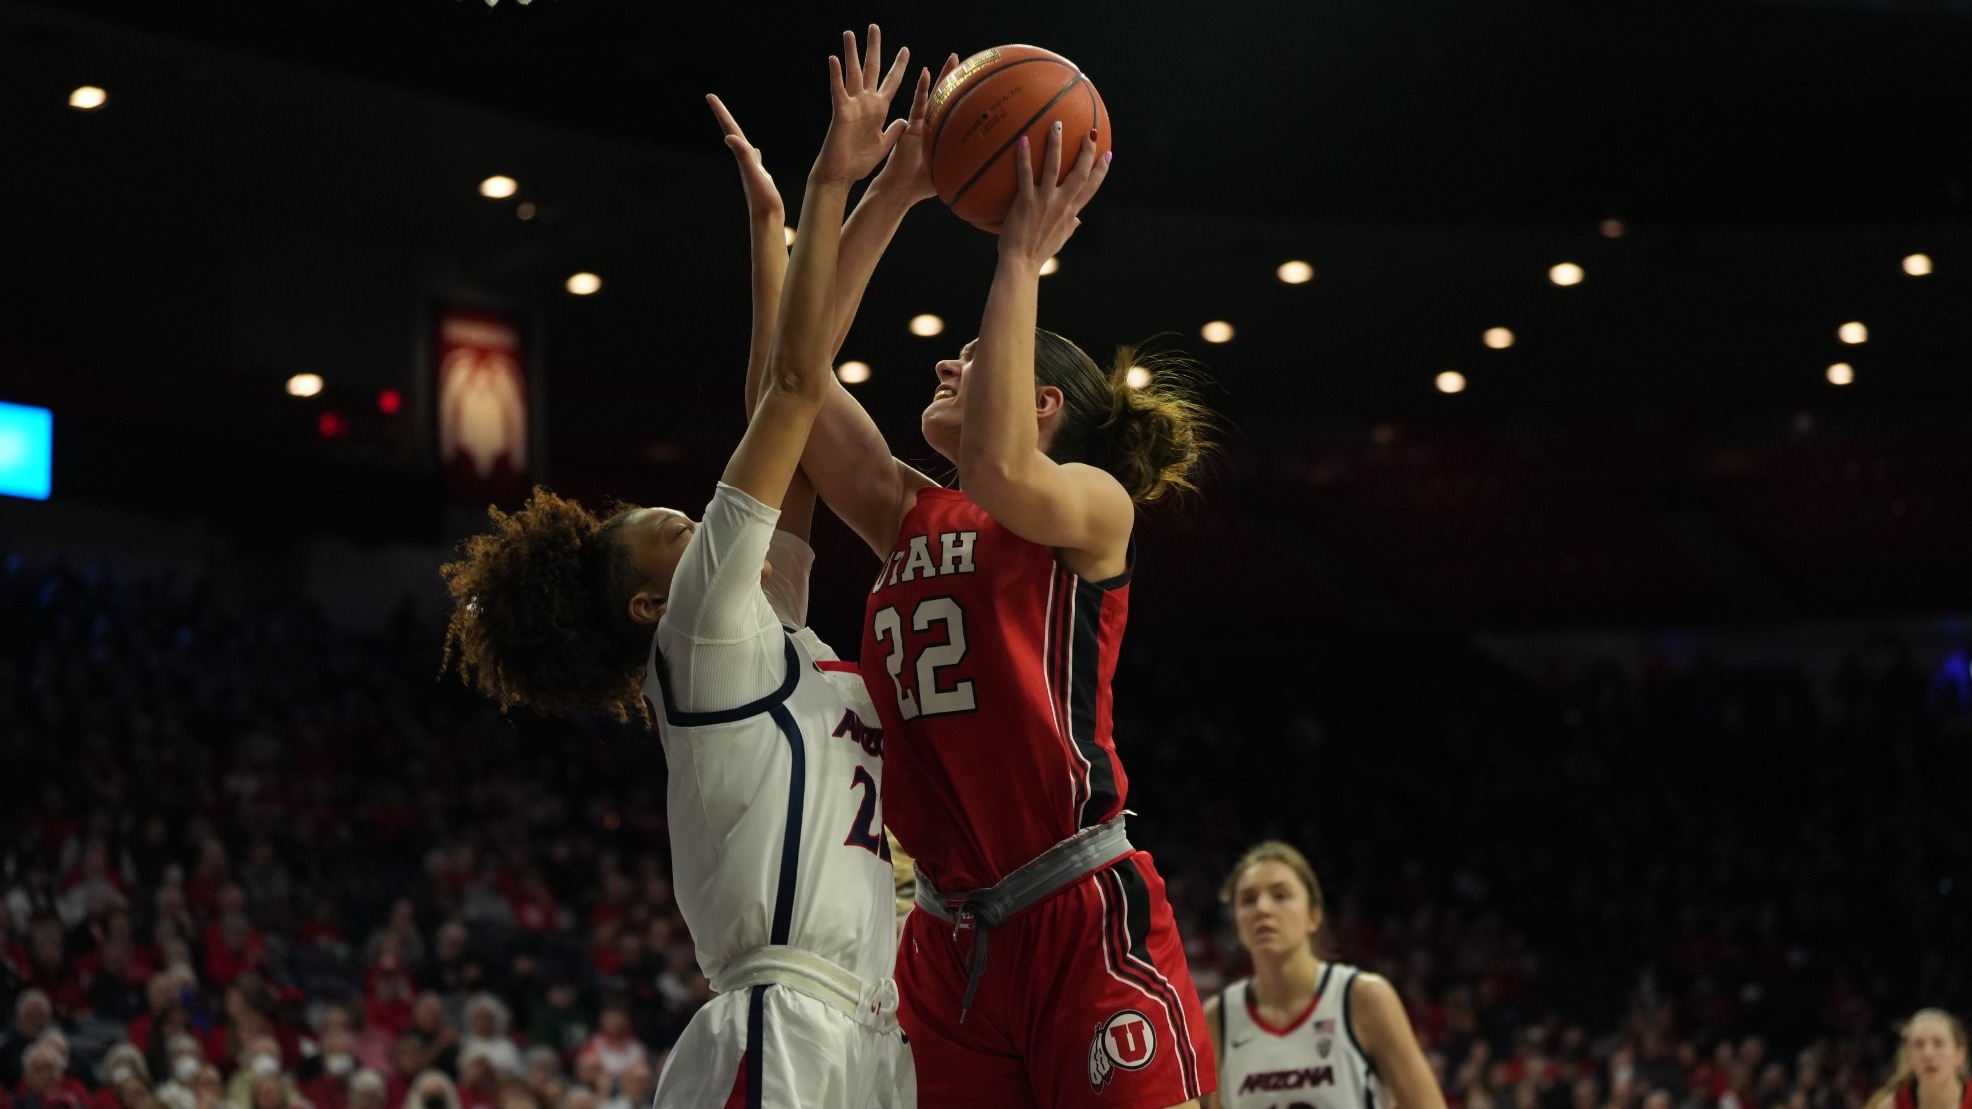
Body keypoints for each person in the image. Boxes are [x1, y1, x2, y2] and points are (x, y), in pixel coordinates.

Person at [441, 27, 913, 1108]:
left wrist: (867, 205)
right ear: (654, 598)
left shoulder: (763, 632)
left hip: (870, 1032)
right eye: (656, 522)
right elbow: (790, 393)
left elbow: (782, 399)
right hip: (780, 1018)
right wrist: (835, 188)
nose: (677, 511)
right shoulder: (700, 631)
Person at [751, 47, 1213, 1106]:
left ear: (1041, 400)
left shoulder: (1091, 505)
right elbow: (792, 380)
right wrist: (885, 193)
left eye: (972, 357)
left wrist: (1019, 255)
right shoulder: (908, 510)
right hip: (949, 938)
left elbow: (1004, 463)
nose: (946, 366)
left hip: (1078, 908)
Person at [1203, 843, 1445, 1109]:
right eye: (1248, 900)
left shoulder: (1363, 997)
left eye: (1280, 895)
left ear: (1314, 916)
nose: (1262, 909)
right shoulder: (1219, 1017)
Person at [1864, 1010, 1969, 1109]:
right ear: (1909, 1057)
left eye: (1938, 1044)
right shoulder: (1891, 1105)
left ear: (1959, 1055)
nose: (1928, 1054)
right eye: (1919, 1045)